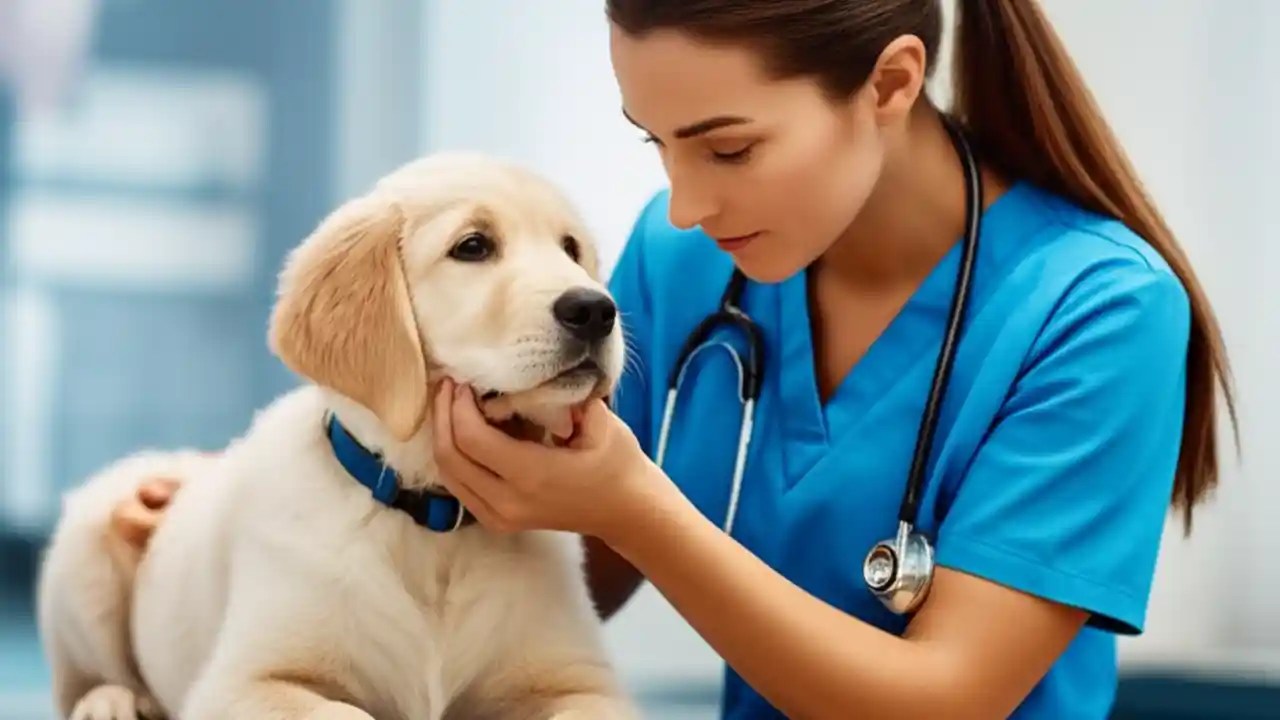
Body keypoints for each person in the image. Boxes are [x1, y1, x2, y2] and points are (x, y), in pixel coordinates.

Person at [113, 1, 1236, 717]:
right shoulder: (687, 254)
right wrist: (248, 522)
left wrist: (633, 504)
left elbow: (939, 703)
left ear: (889, 85)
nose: (683, 203)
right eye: (655, 145)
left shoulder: (1099, 311)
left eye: (728, 147)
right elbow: (563, 577)